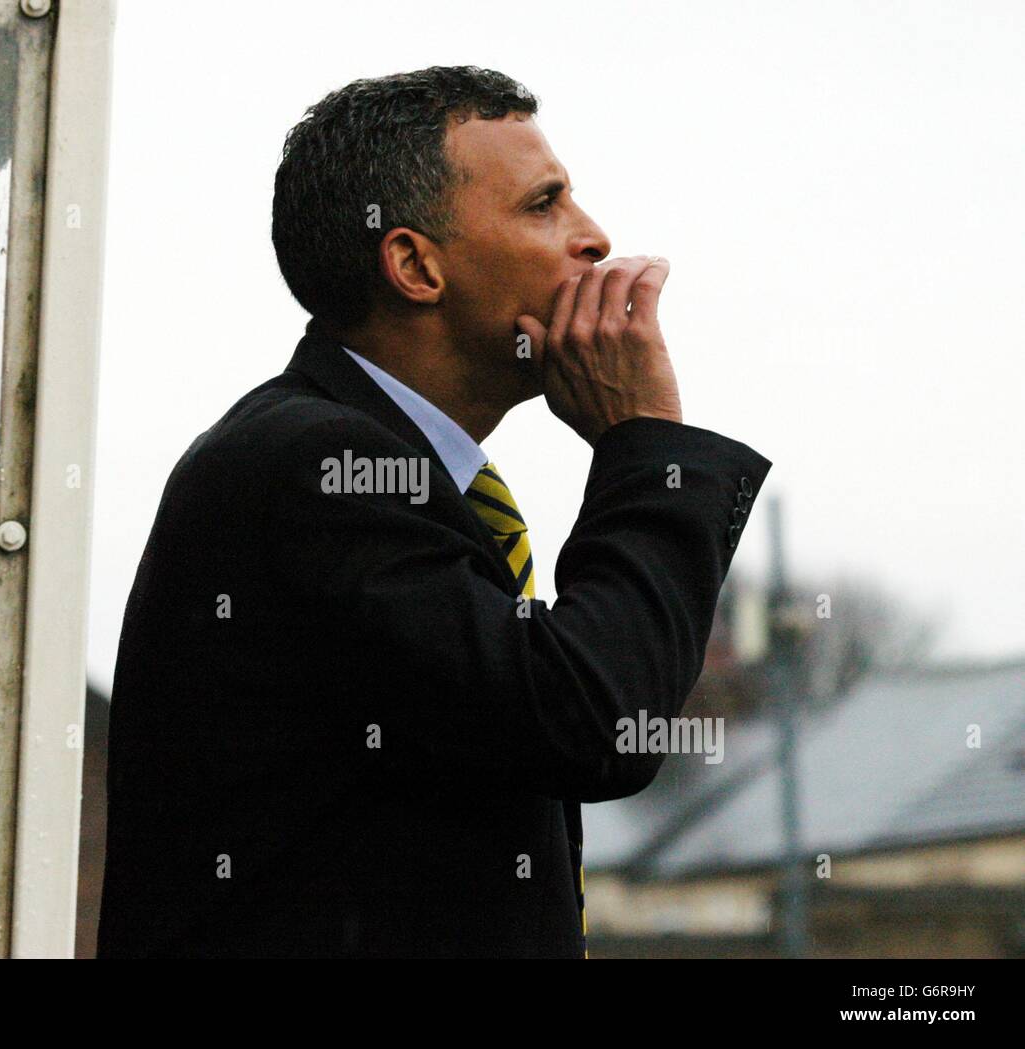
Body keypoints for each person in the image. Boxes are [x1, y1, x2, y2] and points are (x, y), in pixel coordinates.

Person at [98, 66, 772, 958]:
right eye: (544, 205)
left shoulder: (374, 466)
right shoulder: (317, 465)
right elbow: (591, 720)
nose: (595, 237)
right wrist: (648, 448)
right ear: (415, 264)